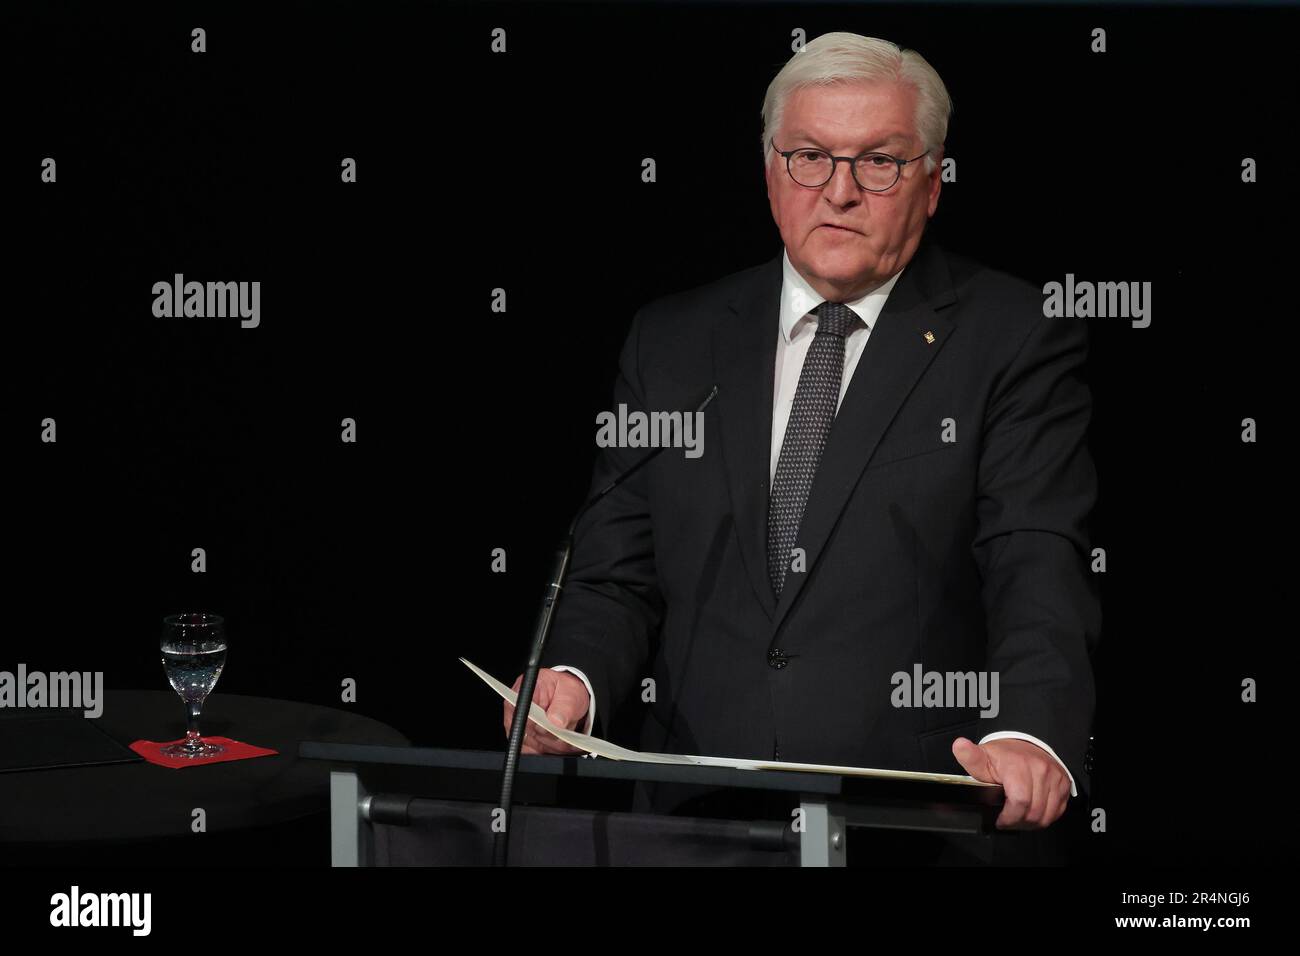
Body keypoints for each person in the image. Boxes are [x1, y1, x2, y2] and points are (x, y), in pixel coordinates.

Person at [504, 32, 1100, 861]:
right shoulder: (673, 343)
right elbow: (615, 569)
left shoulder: (1010, 336)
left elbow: (1033, 556)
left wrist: (1033, 733)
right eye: (811, 157)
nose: (840, 192)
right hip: (687, 818)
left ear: (932, 181)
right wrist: (571, 682)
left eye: (880, 161)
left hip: (909, 821)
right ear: (770, 171)